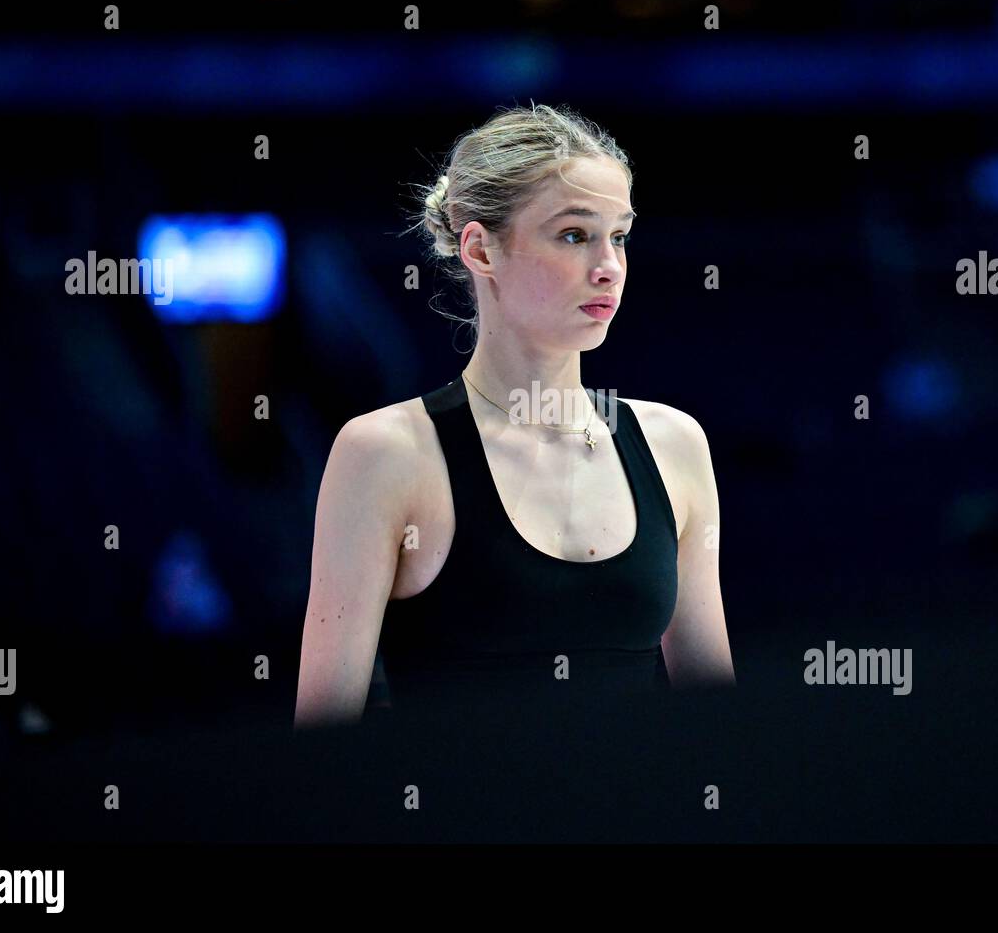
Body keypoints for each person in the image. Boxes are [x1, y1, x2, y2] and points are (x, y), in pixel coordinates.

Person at [294, 103, 734, 726]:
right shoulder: (385, 454)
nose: (608, 265)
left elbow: (715, 719)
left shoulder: (674, 443)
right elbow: (322, 738)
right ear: (480, 248)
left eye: (620, 236)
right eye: (575, 235)